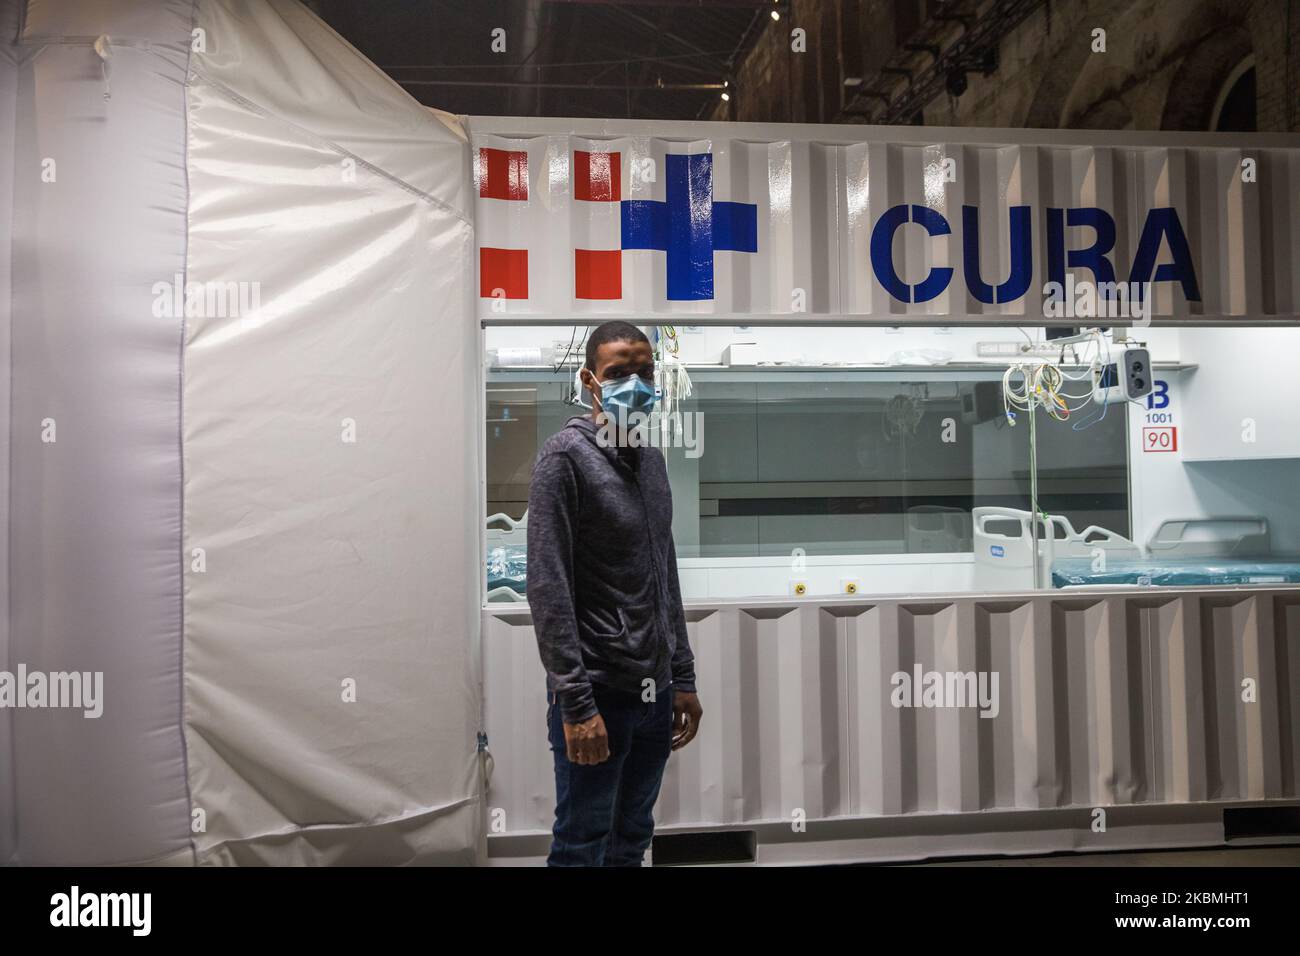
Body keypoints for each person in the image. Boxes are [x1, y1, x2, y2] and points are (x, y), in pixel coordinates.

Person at [526, 320, 703, 867]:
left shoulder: (650, 459)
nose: (635, 384)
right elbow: (547, 587)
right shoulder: (564, 460)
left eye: (645, 372)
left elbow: (662, 569)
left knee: (632, 837)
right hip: (598, 692)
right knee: (583, 841)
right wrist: (576, 704)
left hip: (653, 692)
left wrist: (683, 675)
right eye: (618, 373)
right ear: (589, 380)